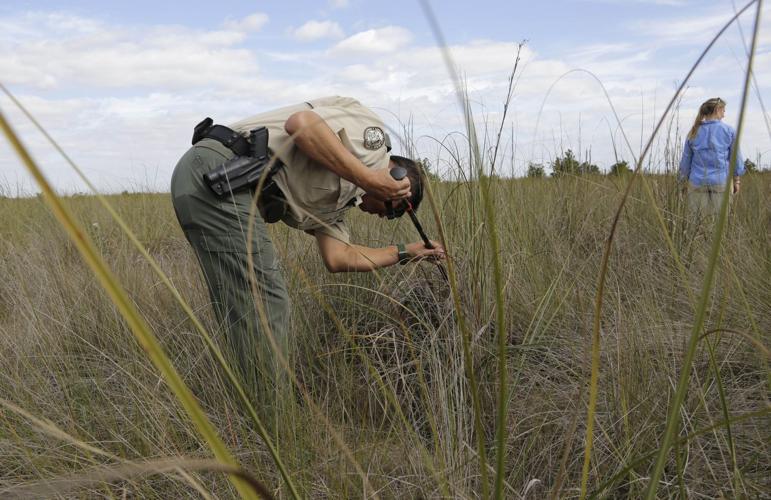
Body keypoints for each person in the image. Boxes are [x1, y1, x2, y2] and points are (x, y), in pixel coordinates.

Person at [170, 96, 444, 400]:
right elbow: (301, 124)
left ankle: (253, 407)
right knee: (267, 300)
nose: (385, 216)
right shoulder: (372, 143)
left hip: (217, 188)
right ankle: (274, 421)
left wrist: (406, 252)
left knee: (244, 305)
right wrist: (371, 179)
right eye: (394, 210)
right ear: (397, 179)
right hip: (215, 172)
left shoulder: (339, 204)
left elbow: (339, 257)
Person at [679, 97, 745, 216]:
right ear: (717, 110)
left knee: (696, 226)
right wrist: (737, 180)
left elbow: (686, 162)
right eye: (723, 111)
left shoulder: (693, 131)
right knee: (720, 224)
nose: (724, 115)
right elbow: (736, 159)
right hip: (721, 182)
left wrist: (683, 181)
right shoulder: (729, 131)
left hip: (697, 183)